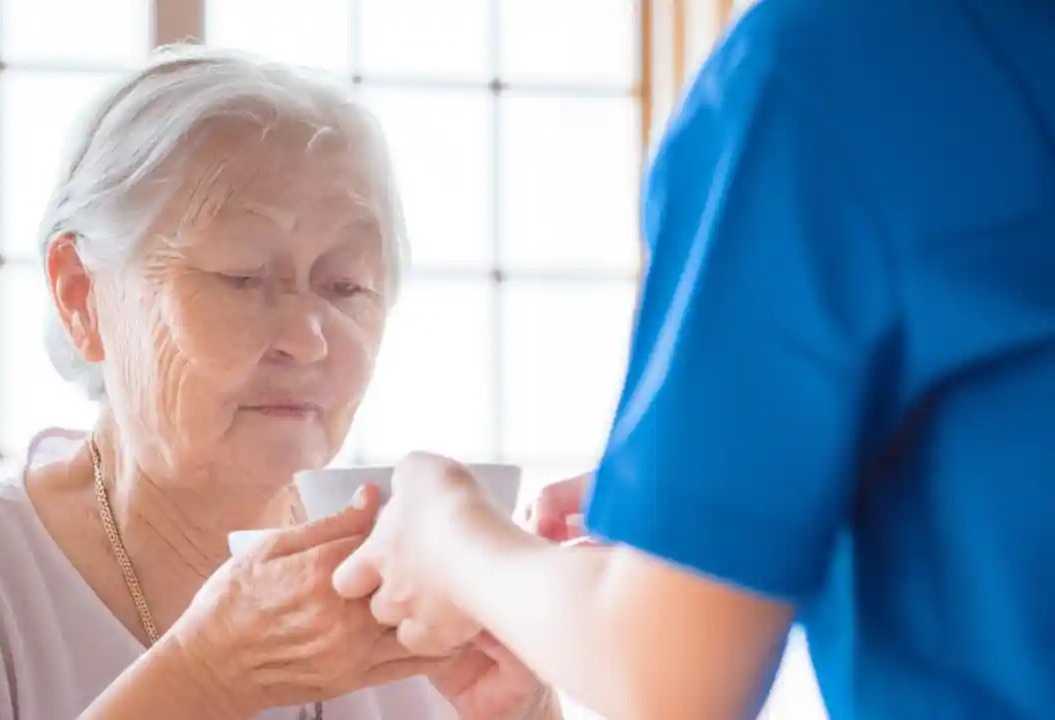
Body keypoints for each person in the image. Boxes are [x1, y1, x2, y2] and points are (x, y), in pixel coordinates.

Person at [334, 0, 1055, 718]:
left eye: (345, 287)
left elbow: (665, 681)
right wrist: (709, 502)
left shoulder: (834, 62)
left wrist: (448, 534)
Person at [0, 47, 561, 720]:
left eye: (345, 286)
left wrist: (524, 709)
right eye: (241, 279)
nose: (307, 338)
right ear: (82, 295)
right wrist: (203, 677)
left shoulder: (403, 581)